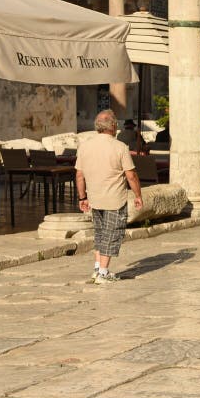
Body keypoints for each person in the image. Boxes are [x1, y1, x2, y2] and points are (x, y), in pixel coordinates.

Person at [75, 110, 143, 284]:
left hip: (94, 198)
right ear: (113, 126)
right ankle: (103, 273)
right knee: (112, 234)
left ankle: (97, 269)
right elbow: (131, 175)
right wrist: (138, 195)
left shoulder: (85, 146)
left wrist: (82, 197)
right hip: (115, 199)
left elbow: (79, 175)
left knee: (99, 233)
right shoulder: (120, 147)